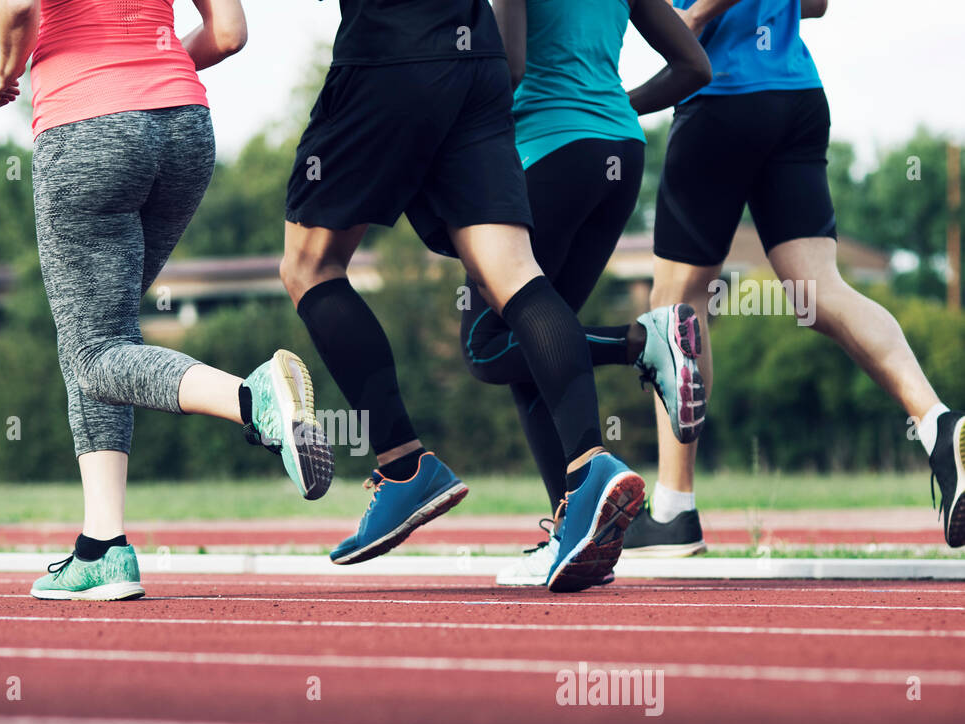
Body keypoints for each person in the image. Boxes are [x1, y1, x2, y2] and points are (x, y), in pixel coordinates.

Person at [283, 0, 648, 591]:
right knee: (514, 273)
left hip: (389, 49)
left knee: (310, 266)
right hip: (477, 60)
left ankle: (403, 467)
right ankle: (590, 467)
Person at [0, 0, 335, 601]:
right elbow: (229, 33)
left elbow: (19, 7)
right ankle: (103, 547)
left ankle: (255, 400)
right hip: (183, 128)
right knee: (98, 334)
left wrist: (5, 69)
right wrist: (160, 63)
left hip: (86, 125)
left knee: (95, 349)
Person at [626, 0, 965, 555]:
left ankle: (674, 511)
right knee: (821, 291)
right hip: (796, 96)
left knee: (675, 307)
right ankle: (938, 424)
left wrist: (698, 17)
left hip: (722, 97)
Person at [457, 0, 713, 586]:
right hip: (617, 154)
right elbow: (695, 68)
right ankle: (575, 531)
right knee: (538, 354)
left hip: (546, 153)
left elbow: (510, 66)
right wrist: (619, 105)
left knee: (485, 342)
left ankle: (641, 345)